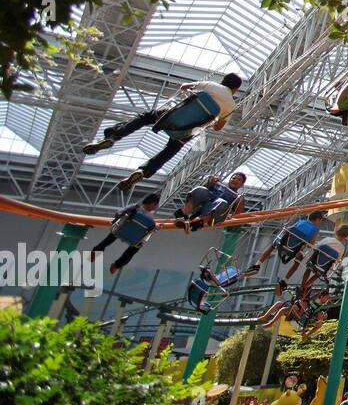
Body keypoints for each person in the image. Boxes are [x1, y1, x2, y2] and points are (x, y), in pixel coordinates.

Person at [84, 73, 242, 192]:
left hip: (172, 116)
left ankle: (113, 136)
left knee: (145, 117)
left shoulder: (211, 85)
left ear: (223, 80)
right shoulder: (231, 105)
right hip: (188, 130)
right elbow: (218, 128)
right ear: (235, 89)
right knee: (171, 149)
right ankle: (143, 171)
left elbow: (185, 86)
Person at [90, 192, 160, 274]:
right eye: (155, 205)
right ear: (152, 203)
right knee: (114, 237)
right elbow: (119, 213)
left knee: (131, 246)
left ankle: (116, 264)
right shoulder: (138, 209)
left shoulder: (147, 216)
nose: (155, 208)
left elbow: (118, 213)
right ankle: (99, 253)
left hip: (128, 232)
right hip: (125, 230)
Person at [244, 210, 327, 278]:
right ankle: (285, 280)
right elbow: (310, 246)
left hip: (284, 244)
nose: (320, 222)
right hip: (295, 250)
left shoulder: (300, 221)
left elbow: (289, 231)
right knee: (298, 259)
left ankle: (257, 264)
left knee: (273, 246)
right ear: (317, 219)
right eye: (321, 220)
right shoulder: (315, 229)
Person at [175, 171, 247, 232]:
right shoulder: (218, 186)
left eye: (239, 180)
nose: (235, 180)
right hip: (203, 205)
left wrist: (240, 200)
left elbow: (238, 215)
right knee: (200, 189)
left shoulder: (237, 197)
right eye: (233, 178)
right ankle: (182, 215)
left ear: (242, 184)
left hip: (216, 213)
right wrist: (211, 183)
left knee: (222, 202)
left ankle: (194, 223)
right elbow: (203, 192)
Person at [293, 224, 348, 296]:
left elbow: (316, 247)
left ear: (337, 231)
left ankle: (302, 286)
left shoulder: (327, 239)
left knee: (308, 270)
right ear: (346, 236)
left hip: (314, 261)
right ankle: (305, 286)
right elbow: (337, 260)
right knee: (318, 274)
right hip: (324, 268)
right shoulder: (342, 248)